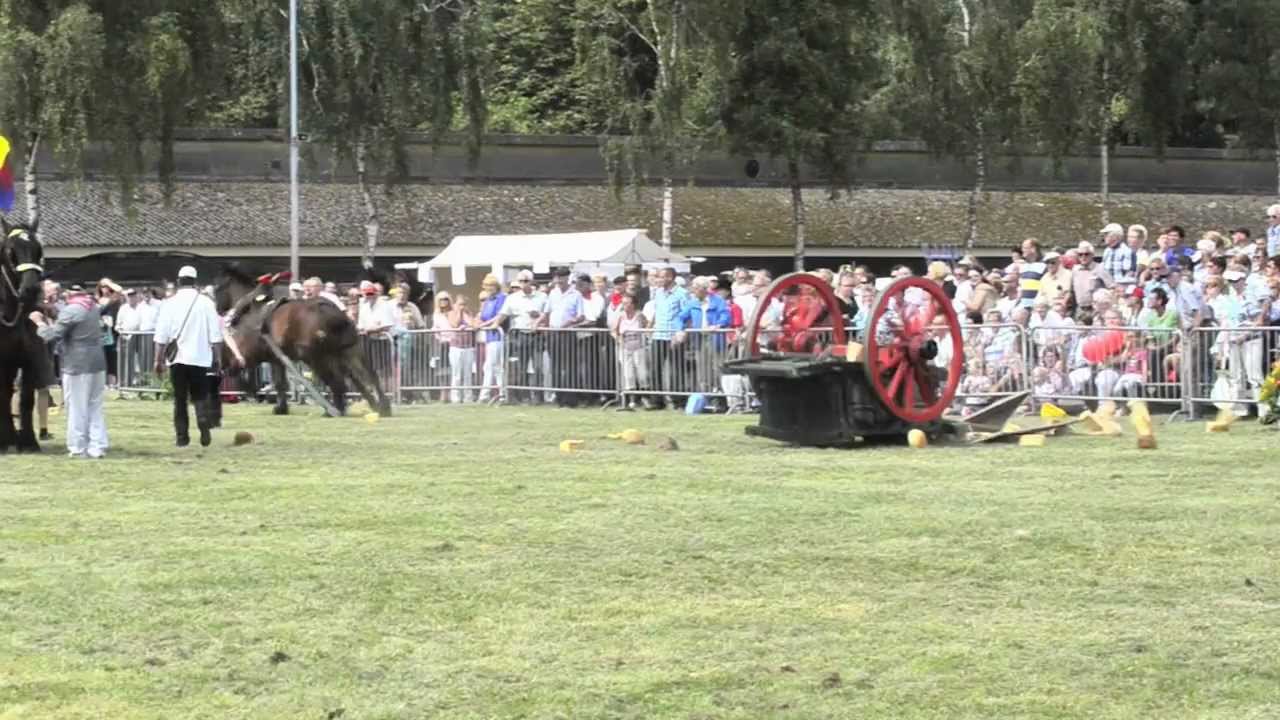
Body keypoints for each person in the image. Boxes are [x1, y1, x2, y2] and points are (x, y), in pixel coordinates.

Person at [34, 285, 108, 458]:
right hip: (97, 362)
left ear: (69, 295)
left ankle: (77, 447)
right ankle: (97, 446)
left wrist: (39, 322)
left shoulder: (71, 310)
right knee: (94, 406)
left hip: (77, 364)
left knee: (76, 407)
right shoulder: (92, 307)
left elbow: (51, 336)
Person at [154, 265, 224, 448]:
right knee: (200, 395)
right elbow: (215, 335)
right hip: (200, 358)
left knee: (180, 399)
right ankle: (202, 420)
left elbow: (161, 335)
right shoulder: (206, 303)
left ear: (179, 281)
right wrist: (218, 358)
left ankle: (182, 437)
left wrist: (157, 360)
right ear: (195, 281)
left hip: (177, 359)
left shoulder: (169, 303)